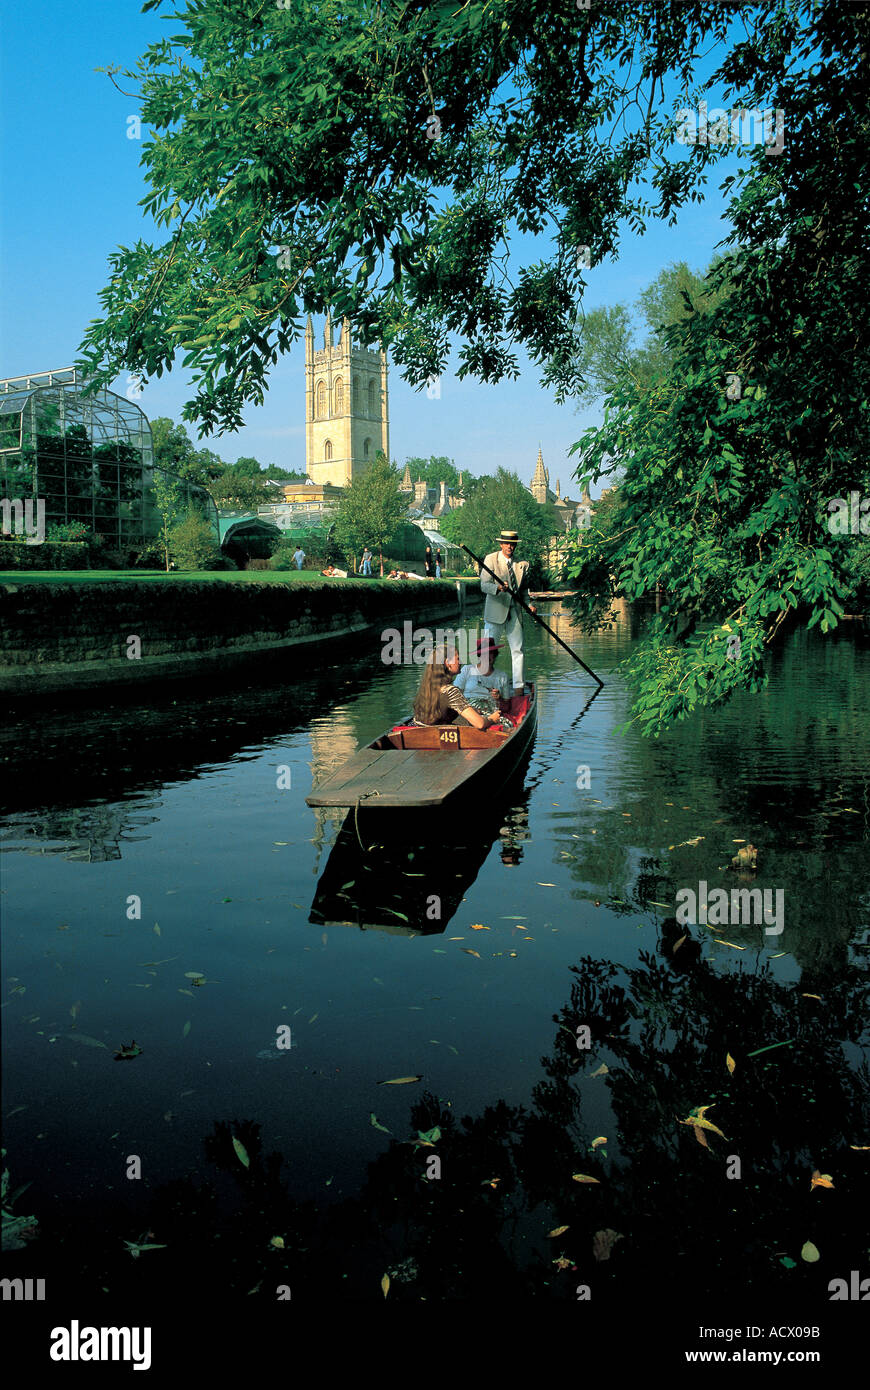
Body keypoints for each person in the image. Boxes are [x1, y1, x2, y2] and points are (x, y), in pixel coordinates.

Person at [480, 529, 537, 697]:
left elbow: (524, 591)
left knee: (518, 650)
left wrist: (529, 605)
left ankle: (519, 688)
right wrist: (497, 588)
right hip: (495, 610)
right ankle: (485, 686)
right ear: (501, 544)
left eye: (512, 544)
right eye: (506, 543)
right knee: (487, 650)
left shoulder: (522, 564)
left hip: (515, 611)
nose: (509, 547)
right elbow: (483, 585)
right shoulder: (491, 559)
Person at [412, 647, 504, 731]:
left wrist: (472, 710)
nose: (461, 662)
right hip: (438, 737)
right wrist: (492, 718)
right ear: (448, 663)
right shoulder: (450, 691)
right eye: (458, 659)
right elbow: (480, 724)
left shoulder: (427, 687)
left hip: (422, 732)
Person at [454, 636, 511, 712]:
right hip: (467, 711)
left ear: (495, 655)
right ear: (479, 656)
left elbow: (507, 708)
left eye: (490, 653)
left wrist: (499, 698)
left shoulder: (502, 676)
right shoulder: (466, 670)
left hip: (491, 712)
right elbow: (455, 697)